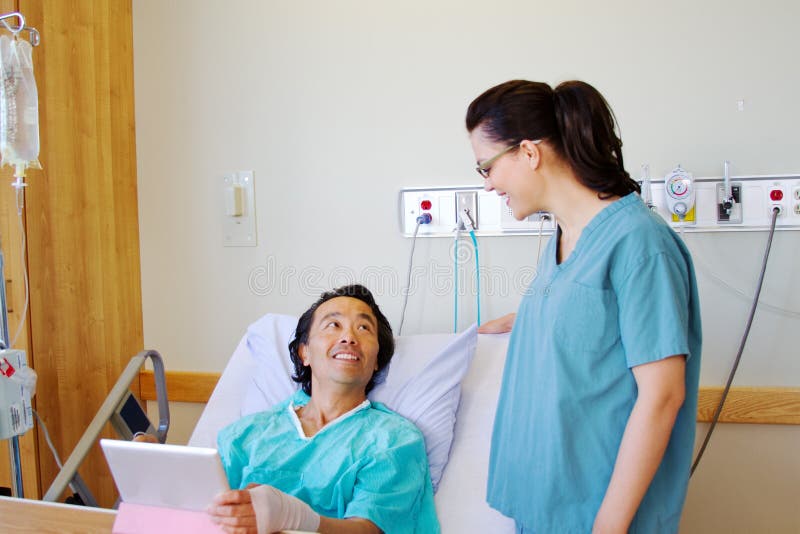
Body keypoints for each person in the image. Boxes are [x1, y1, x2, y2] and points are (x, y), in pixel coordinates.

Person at [466, 80, 701, 533]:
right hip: (548, 505)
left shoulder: (639, 242)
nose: (489, 184)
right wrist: (528, 320)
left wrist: (607, 527)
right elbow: (594, 322)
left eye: (487, 167)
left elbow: (662, 396)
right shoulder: (565, 235)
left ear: (529, 152)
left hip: (600, 513)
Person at [208, 284, 440, 534]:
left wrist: (292, 516)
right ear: (304, 353)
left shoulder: (394, 440)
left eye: (363, 328)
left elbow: (369, 530)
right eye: (333, 325)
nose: (349, 338)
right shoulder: (244, 435)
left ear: (376, 360)